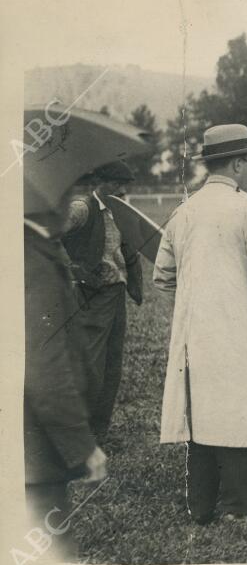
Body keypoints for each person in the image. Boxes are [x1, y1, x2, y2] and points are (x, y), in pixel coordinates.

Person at [153, 124, 247, 525]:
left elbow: (162, 274)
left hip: (194, 338)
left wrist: (194, 305)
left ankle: (201, 506)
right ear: (236, 164)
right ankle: (238, 507)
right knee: (240, 414)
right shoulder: (246, 208)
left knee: (202, 418)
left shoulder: (184, 211)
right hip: (240, 331)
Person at [24, 210, 108, 558]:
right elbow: (45, 372)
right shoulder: (33, 260)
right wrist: (82, 445)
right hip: (33, 459)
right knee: (51, 563)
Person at [61, 159, 143, 441]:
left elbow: (128, 250)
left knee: (111, 365)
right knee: (90, 367)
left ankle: (99, 433)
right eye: (117, 185)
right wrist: (76, 272)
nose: (122, 191)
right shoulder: (81, 208)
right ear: (101, 183)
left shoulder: (121, 211)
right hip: (90, 296)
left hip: (116, 294)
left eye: (125, 186)